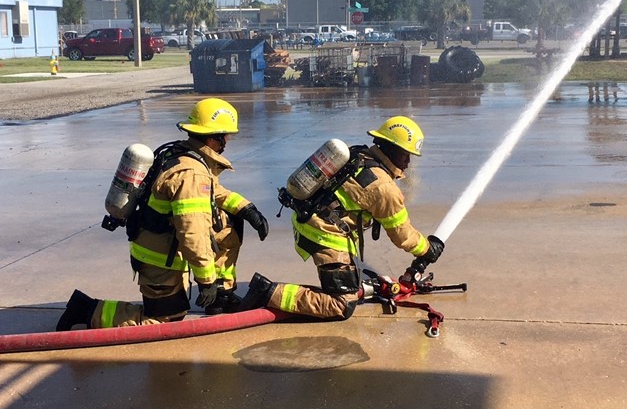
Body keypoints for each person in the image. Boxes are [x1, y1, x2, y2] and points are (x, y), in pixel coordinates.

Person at [56, 98, 270, 330]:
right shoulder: (192, 174)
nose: (227, 142)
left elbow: (213, 191)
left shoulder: (183, 154)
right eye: (225, 136)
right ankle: (87, 310)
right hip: (158, 260)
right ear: (213, 137)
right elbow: (193, 234)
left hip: (158, 245)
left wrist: (246, 209)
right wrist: (206, 281)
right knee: (163, 321)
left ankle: (221, 297)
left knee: (228, 223)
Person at [238, 115, 444, 320]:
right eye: (405, 155)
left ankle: (275, 292)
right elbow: (402, 234)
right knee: (341, 304)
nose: (408, 162)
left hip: (309, 220)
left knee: (347, 287)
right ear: (390, 148)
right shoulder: (384, 188)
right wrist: (427, 249)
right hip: (325, 235)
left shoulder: (359, 155)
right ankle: (267, 292)